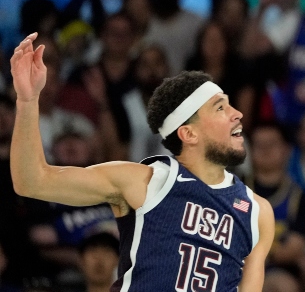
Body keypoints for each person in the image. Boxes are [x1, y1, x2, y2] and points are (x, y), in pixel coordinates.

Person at [8, 34, 275, 291]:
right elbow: (32, 181)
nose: (237, 114)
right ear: (189, 133)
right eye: (220, 108)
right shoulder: (146, 181)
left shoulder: (258, 212)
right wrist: (28, 100)